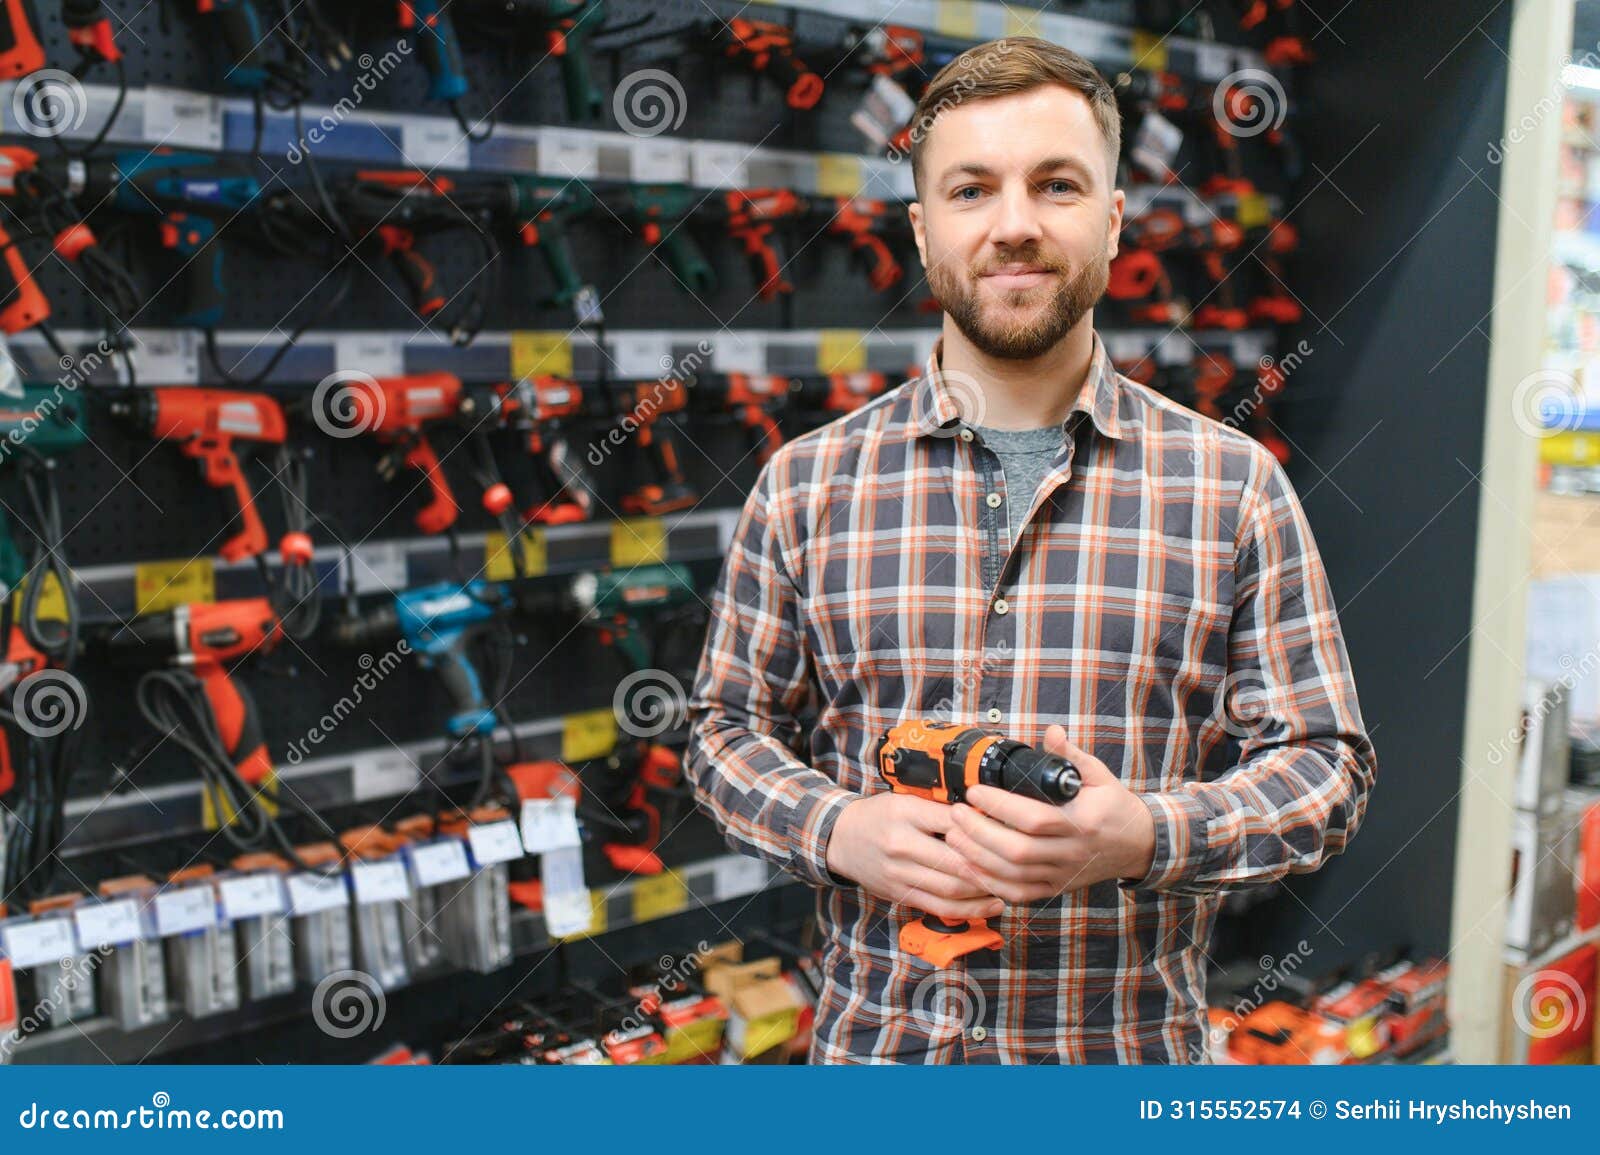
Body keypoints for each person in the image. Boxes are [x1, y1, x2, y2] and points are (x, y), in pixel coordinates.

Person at [682, 36, 1376, 1064]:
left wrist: (1140, 835)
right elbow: (721, 734)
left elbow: (1325, 769)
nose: (1013, 226)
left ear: (1111, 217)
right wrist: (839, 833)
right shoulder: (807, 483)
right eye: (971, 190)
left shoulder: (1231, 488)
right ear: (923, 232)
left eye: (1055, 185)